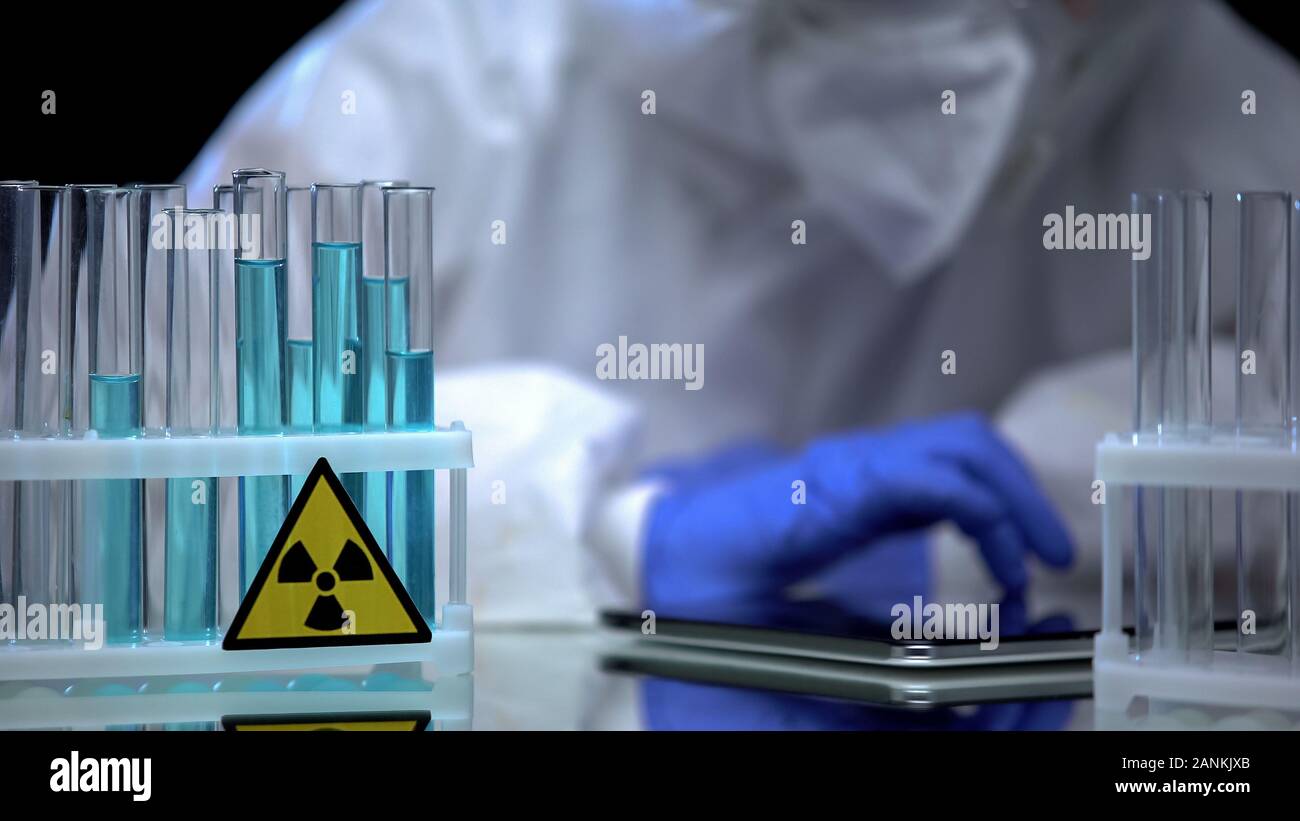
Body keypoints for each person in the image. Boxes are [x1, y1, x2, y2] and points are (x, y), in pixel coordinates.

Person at [183, 0, 1300, 635]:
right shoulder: (403, 93)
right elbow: (165, 533)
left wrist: (999, 531)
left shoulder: (1214, 113)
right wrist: (605, 535)